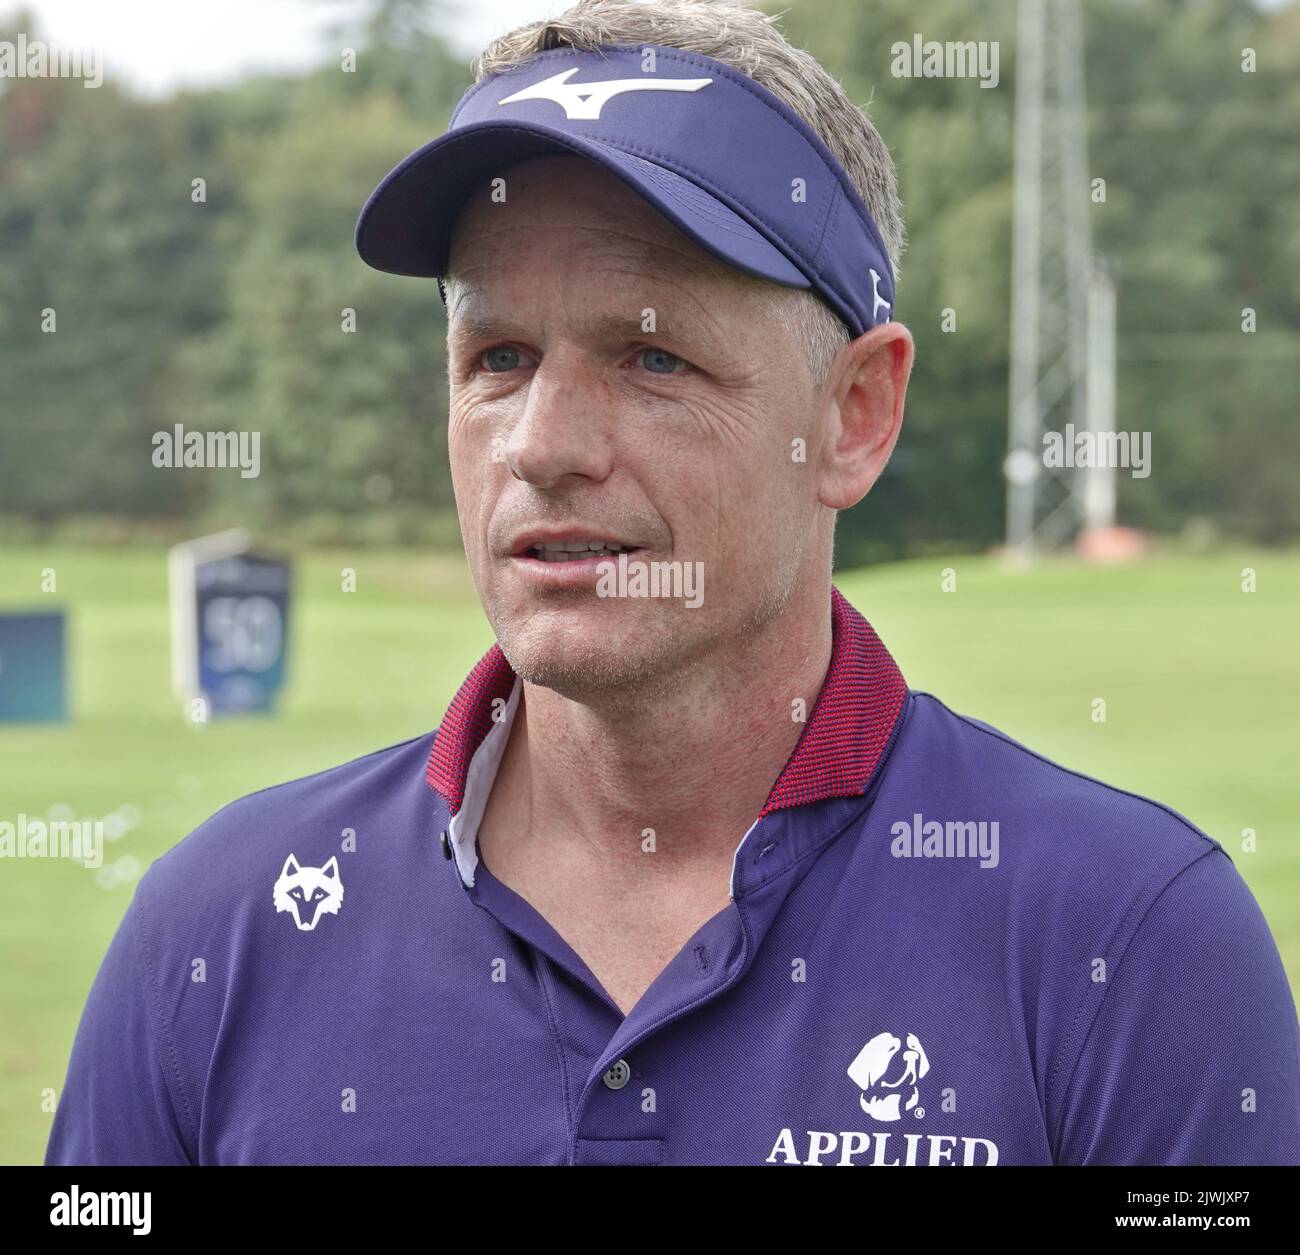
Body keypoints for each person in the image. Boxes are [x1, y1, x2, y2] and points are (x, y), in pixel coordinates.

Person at [47, 0, 1299, 1166]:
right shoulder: (216, 931)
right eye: (497, 355)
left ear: (855, 415)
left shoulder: (1129, 942)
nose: (541, 442)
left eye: (651, 354)